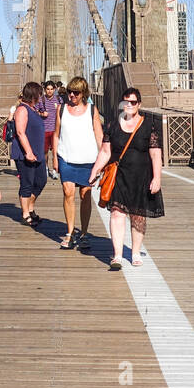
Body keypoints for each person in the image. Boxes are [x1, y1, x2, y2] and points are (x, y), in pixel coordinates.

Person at [89, 87, 164, 270]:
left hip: (141, 177)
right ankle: (117, 255)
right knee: (116, 213)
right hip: (119, 176)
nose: (129, 105)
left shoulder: (148, 125)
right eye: (126, 101)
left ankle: (136, 252)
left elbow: (155, 154)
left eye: (133, 102)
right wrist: (95, 170)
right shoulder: (113, 125)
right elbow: (106, 151)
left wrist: (157, 178)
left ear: (139, 104)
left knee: (138, 216)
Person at [55, 76, 104, 251]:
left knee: (85, 195)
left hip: (88, 159)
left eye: (76, 92)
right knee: (68, 192)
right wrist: (54, 157)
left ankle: (83, 233)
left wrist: (102, 160)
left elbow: (99, 135)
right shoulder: (61, 109)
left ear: (83, 94)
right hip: (66, 157)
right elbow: (56, 134)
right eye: (69, 92)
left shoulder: (92, 110)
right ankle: (69, 233)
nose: (72, 95)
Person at [11, 81, 47, 225]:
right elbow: (20, 132)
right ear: (34, 94)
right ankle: (26, 214)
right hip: (26, 154)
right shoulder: (22, 110)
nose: (41, 96)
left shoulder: (32, 109)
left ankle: (30, 208)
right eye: (39, 93)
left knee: (41, 181)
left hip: (38, 153)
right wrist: (29, 152)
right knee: (27, 184)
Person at [38, 80, 61, 180]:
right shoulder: (40, 100)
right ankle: (46, 168)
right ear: (45, 90)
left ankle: (55, 170)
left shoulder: (59, 100)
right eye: (48, 89)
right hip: (44, 129)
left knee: (55, 151)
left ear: (54, 89)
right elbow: (34, 111)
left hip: (56, 130)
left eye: (51, 89)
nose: (49, 91)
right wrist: (42, 114)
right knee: (45, 152)